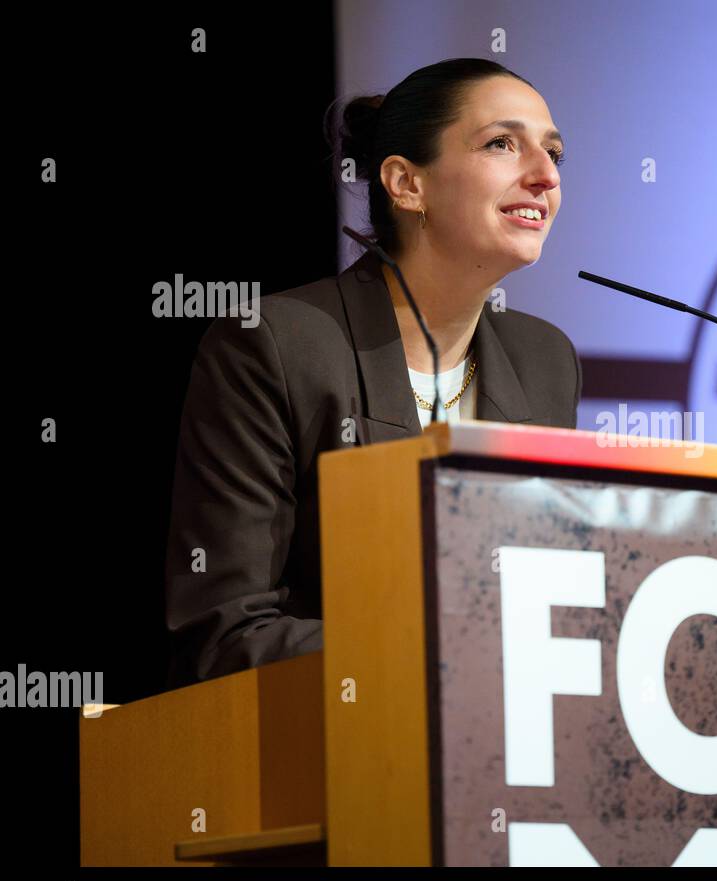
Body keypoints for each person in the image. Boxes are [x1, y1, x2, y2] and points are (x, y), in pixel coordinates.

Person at [163, 58, 580, 687]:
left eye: (554, 152)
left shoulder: (545, 360)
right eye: (502, 143)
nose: (545, 176)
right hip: (319, 744)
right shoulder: (275, 345)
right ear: (406, 183)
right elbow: (224, 634)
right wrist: (446, 658)